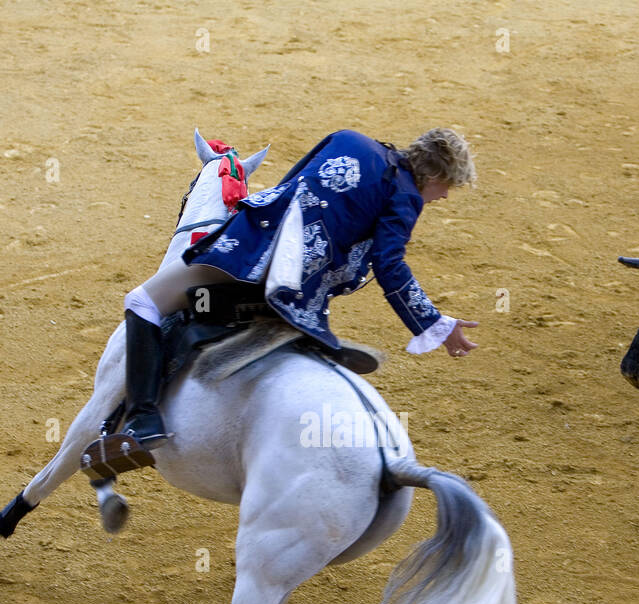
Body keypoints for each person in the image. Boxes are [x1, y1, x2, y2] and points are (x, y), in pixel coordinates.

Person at [113, 127, 481, 451]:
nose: (445, 195)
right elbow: (389, 264)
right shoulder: (405, 198)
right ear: (431, 173)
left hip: (248, 251)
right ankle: (264, 321)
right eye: (446, 185)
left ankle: (143, 417)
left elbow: (284, 188)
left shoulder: (347, 138)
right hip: (297, 295)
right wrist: (433, 324)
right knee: (196, 300)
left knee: (143, 300)